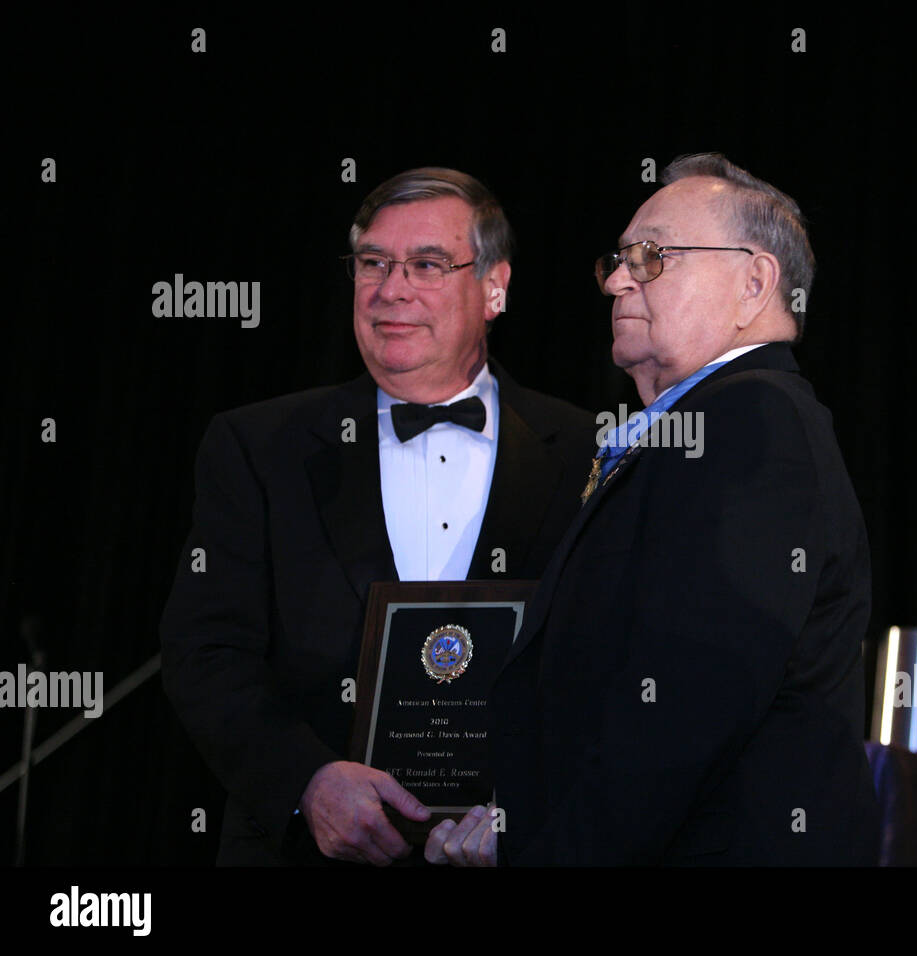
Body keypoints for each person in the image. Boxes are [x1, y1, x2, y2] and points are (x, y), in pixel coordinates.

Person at [428, 153, 880, 866]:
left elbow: (685, 700)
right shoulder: (708, 425)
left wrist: (546, 852)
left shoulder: (753, 420)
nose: (615, 278)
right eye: (617, 259)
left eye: (651, 256)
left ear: (754, 282)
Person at [160, 167, 594, 865]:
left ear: (494, 287)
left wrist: (532, 802)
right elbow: (204, 653)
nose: (391, 290)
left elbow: (609, 663)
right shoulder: (259, 445)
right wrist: (308, 781)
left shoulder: (588, 453)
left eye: (425, 264)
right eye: (372, 264)